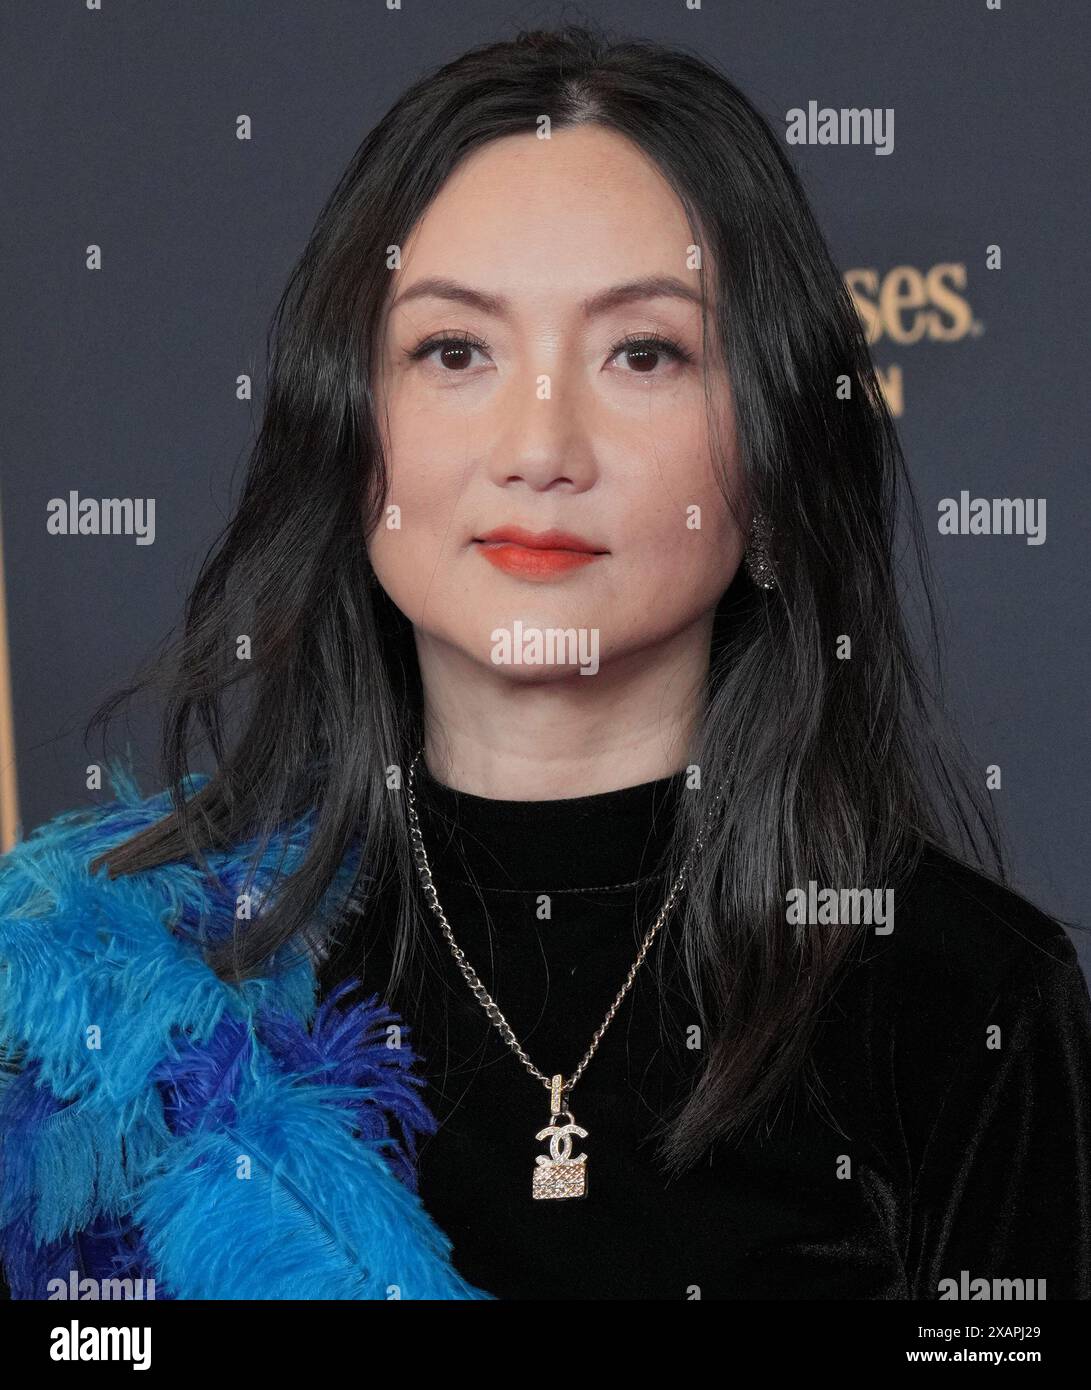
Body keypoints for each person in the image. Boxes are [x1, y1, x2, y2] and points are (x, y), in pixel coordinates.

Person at [1, 23, 1088, 1301]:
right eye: (455, 351)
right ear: (352, 437)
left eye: (642, 352)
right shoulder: (119, 989)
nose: (538, 445)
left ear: (776, 464)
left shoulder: (962, 1001)